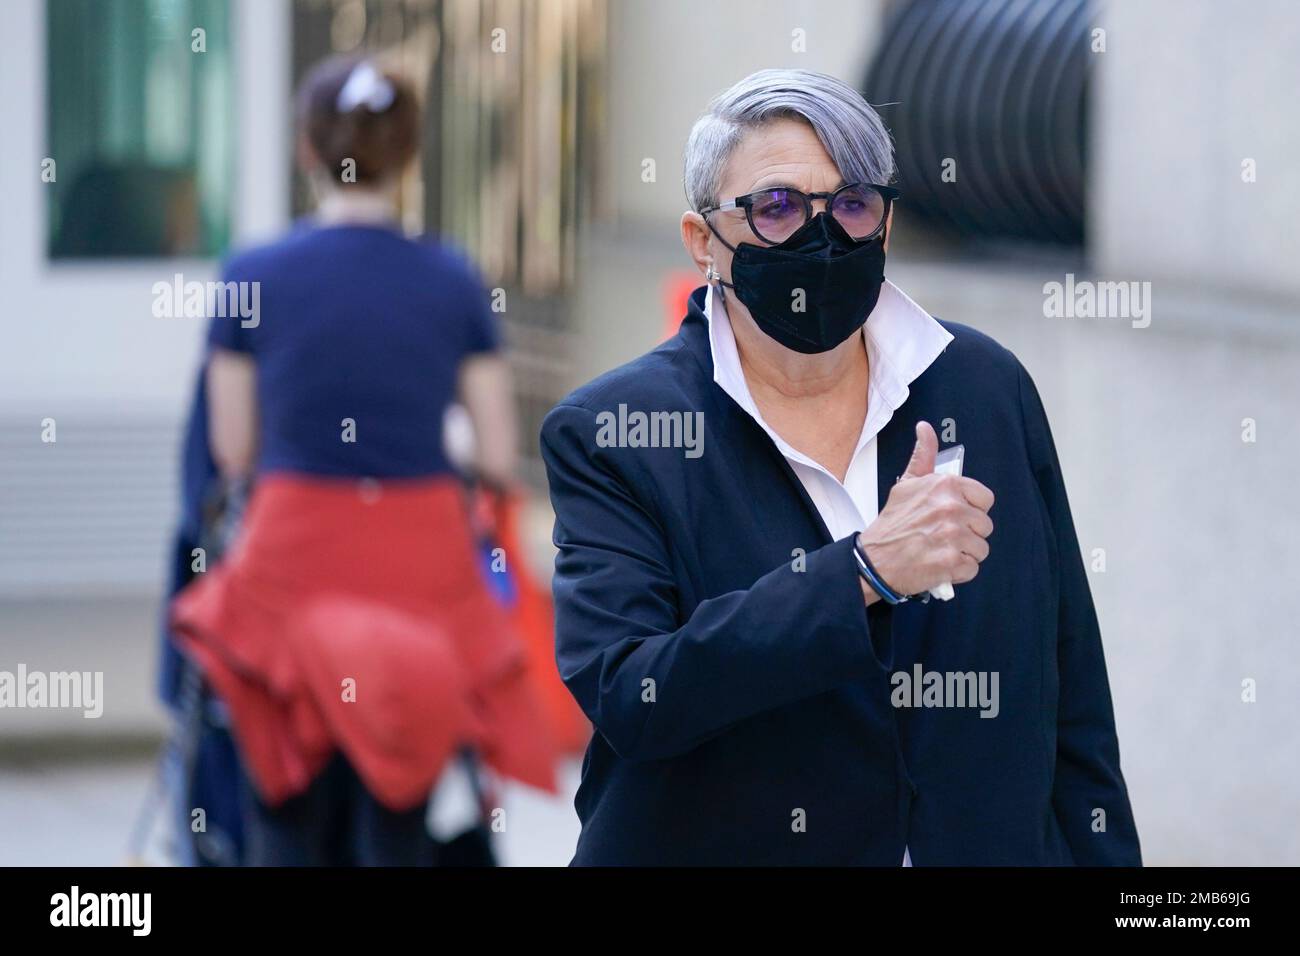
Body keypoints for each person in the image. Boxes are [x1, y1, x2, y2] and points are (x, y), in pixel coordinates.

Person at [540, 69, 1141, 866]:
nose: (823, 237)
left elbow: (1072, 694)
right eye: (778, 207)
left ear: (885, 226)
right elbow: (634, 694)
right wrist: (860, 574)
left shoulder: (984, 386)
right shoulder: (616, 432)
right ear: (702, 242)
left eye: (852, 205)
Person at [170, 55, 557, 866]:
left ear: (309, 151)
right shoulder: (453, 278)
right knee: (400, 814)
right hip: (417, 579)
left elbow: (232, 450)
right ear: (408, 155)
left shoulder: (252, 274)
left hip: (290, 571)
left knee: (285, 817)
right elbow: (492, 452)